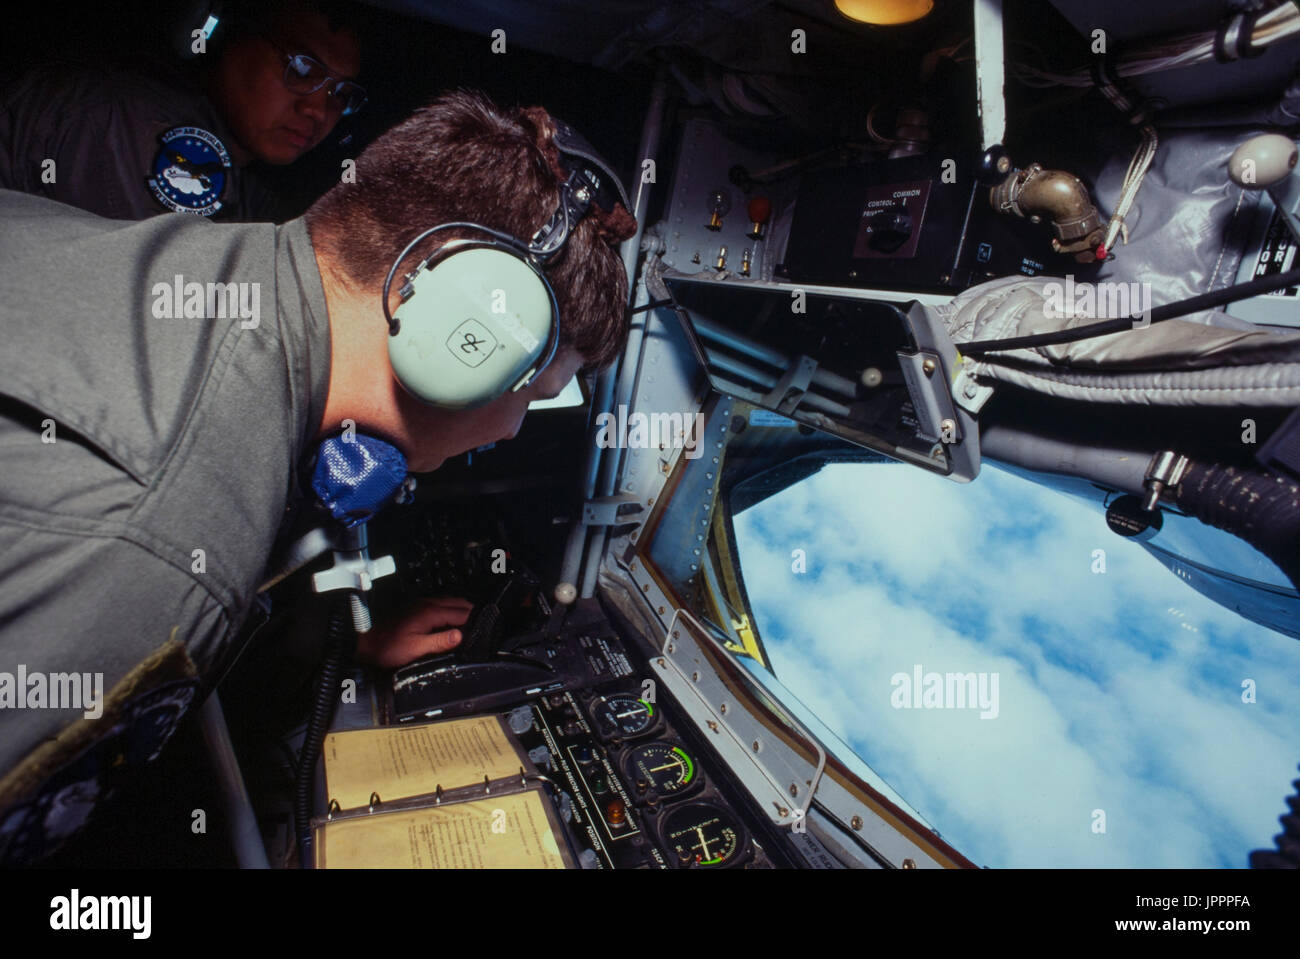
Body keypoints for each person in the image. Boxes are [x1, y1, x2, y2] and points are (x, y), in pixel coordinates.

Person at [0, 89, 636, 863]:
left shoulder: (194, 269)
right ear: (463, 333)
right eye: (533, 392)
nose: (510, 429)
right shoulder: (161, 549)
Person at [0, 0, 363, 221]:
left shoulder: (244, 184)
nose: (318, 109)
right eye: (301, 68)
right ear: (221, 35)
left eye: (340, 93)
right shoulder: (134, 122)